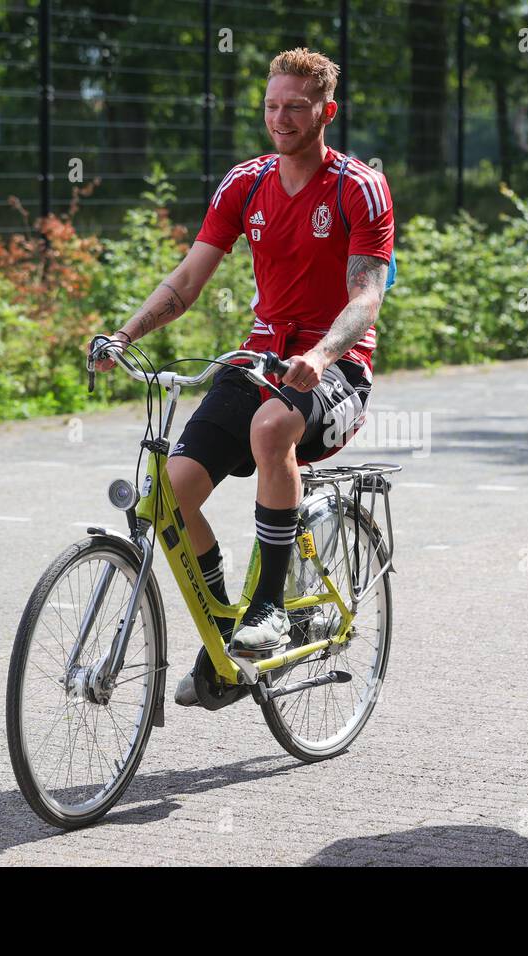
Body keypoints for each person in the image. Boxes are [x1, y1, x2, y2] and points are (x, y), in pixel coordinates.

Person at [94, 48, 394, 704]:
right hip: (258, 358)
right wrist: (125, 334)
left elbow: (366, 296)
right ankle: (226, 636)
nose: (280, 118)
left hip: (338, 368)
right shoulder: (245, 184)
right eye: (271, 106)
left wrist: (320, 355)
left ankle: (268, 611)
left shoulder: (357, 187)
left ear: (326, 112)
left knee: (272, 425)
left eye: (295, 106)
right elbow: (188, 279)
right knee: (164, 498)